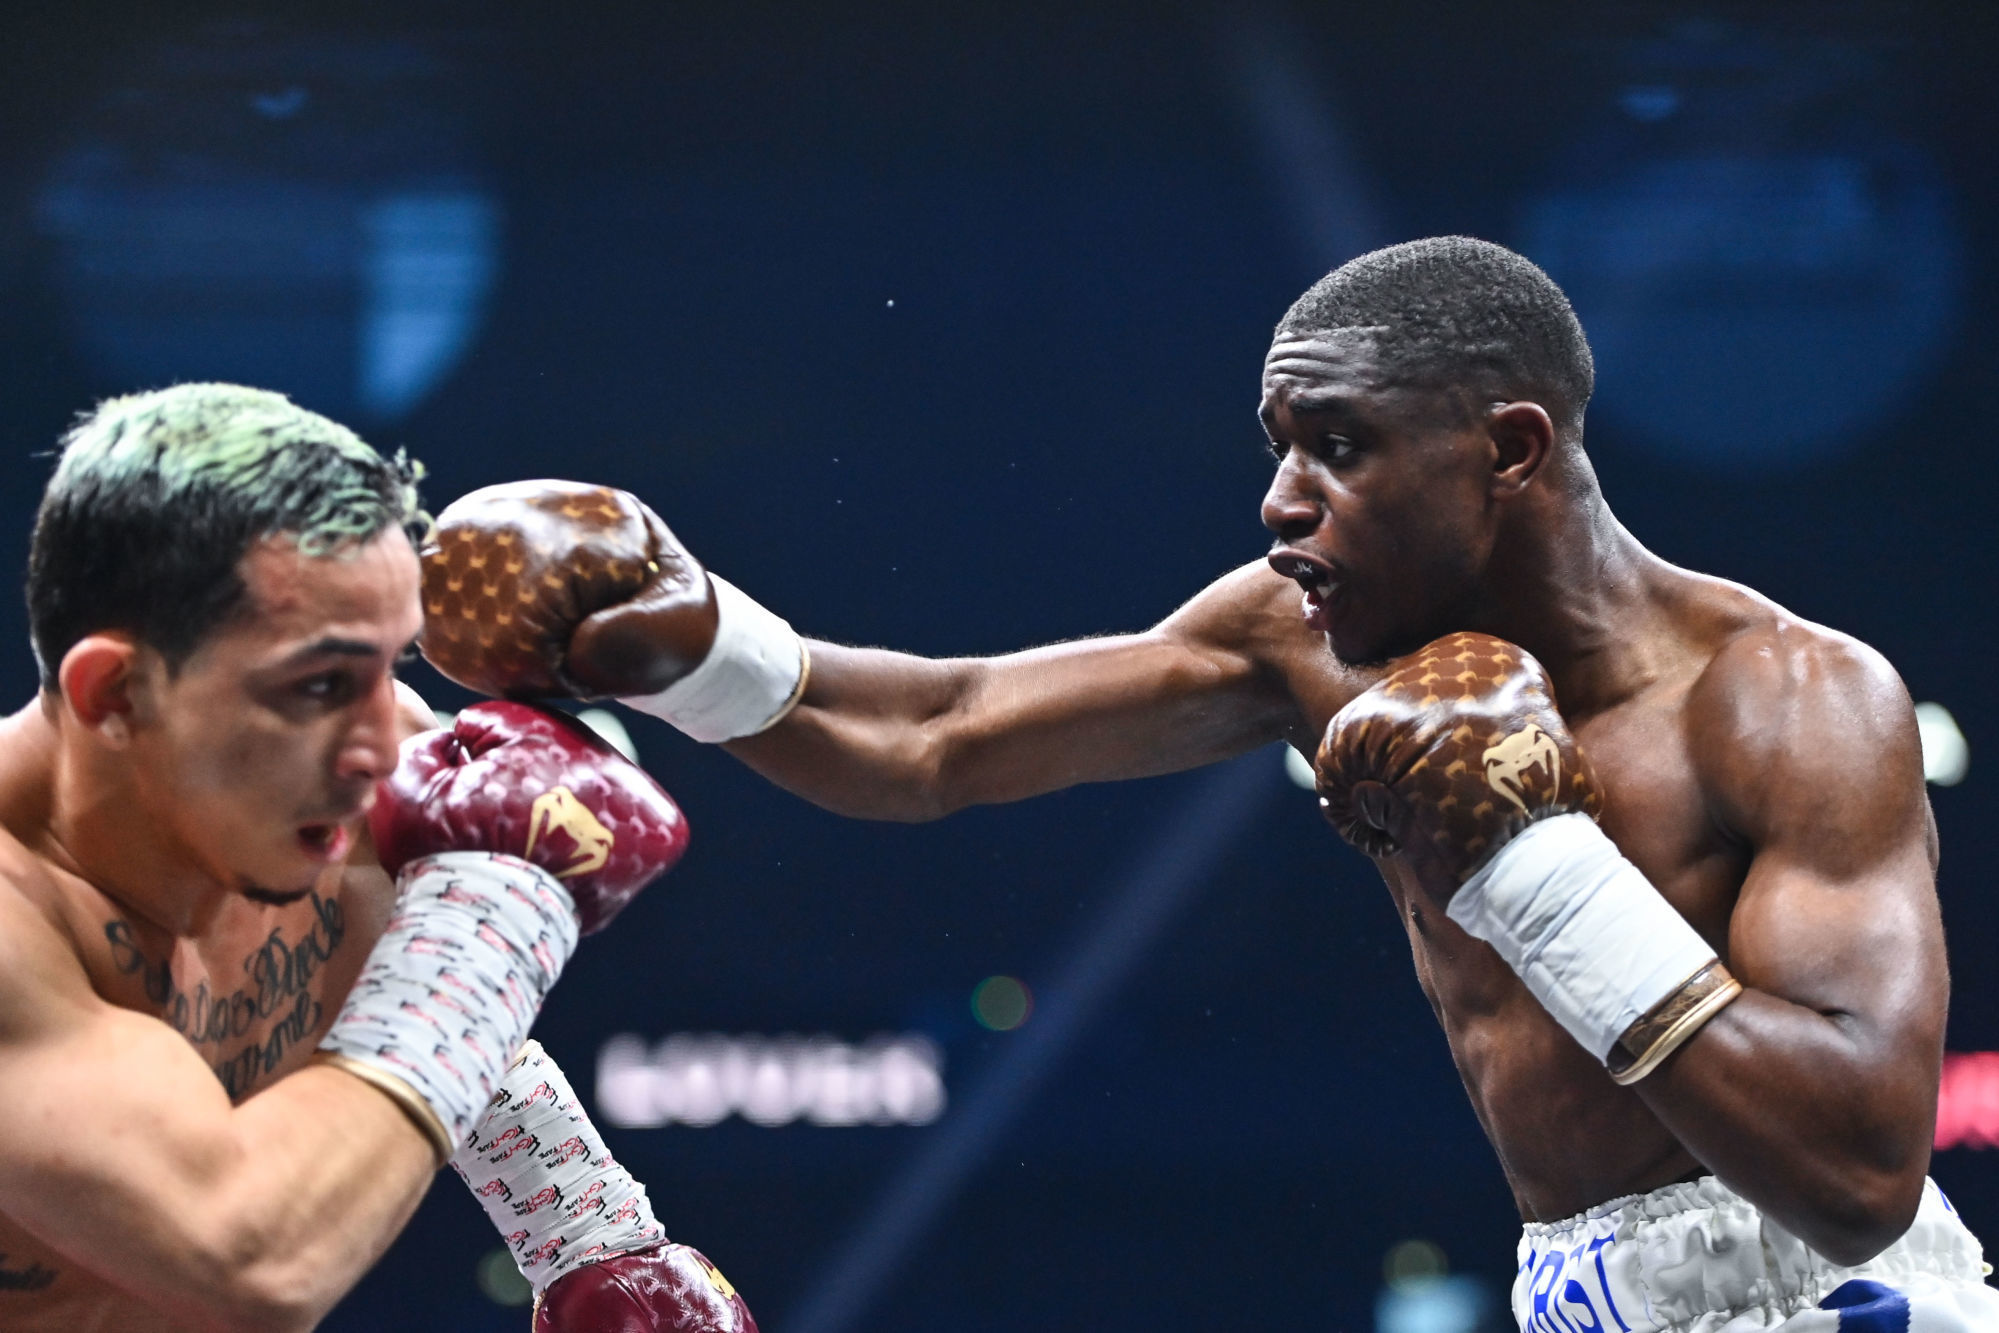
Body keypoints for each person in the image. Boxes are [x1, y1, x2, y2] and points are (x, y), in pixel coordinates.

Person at [424, 237, 1999, 1330]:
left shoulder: (1786, 698)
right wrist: (696, 645)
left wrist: (1536, 860)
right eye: (1274, 444)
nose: (1277, 502)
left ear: (1506, 449)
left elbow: (1856, 1172)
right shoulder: (1305, 645)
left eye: (1336, 446)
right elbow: (940, 735)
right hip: (1567, 1284)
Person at [0, 384, 755, 1332]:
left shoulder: (342, 776)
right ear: (115, 692)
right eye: (318, 682)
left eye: (388, 664)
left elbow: (417, 997)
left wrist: (589, 1237)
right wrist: (499, 919)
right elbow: (252, 1256)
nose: (380, 740)